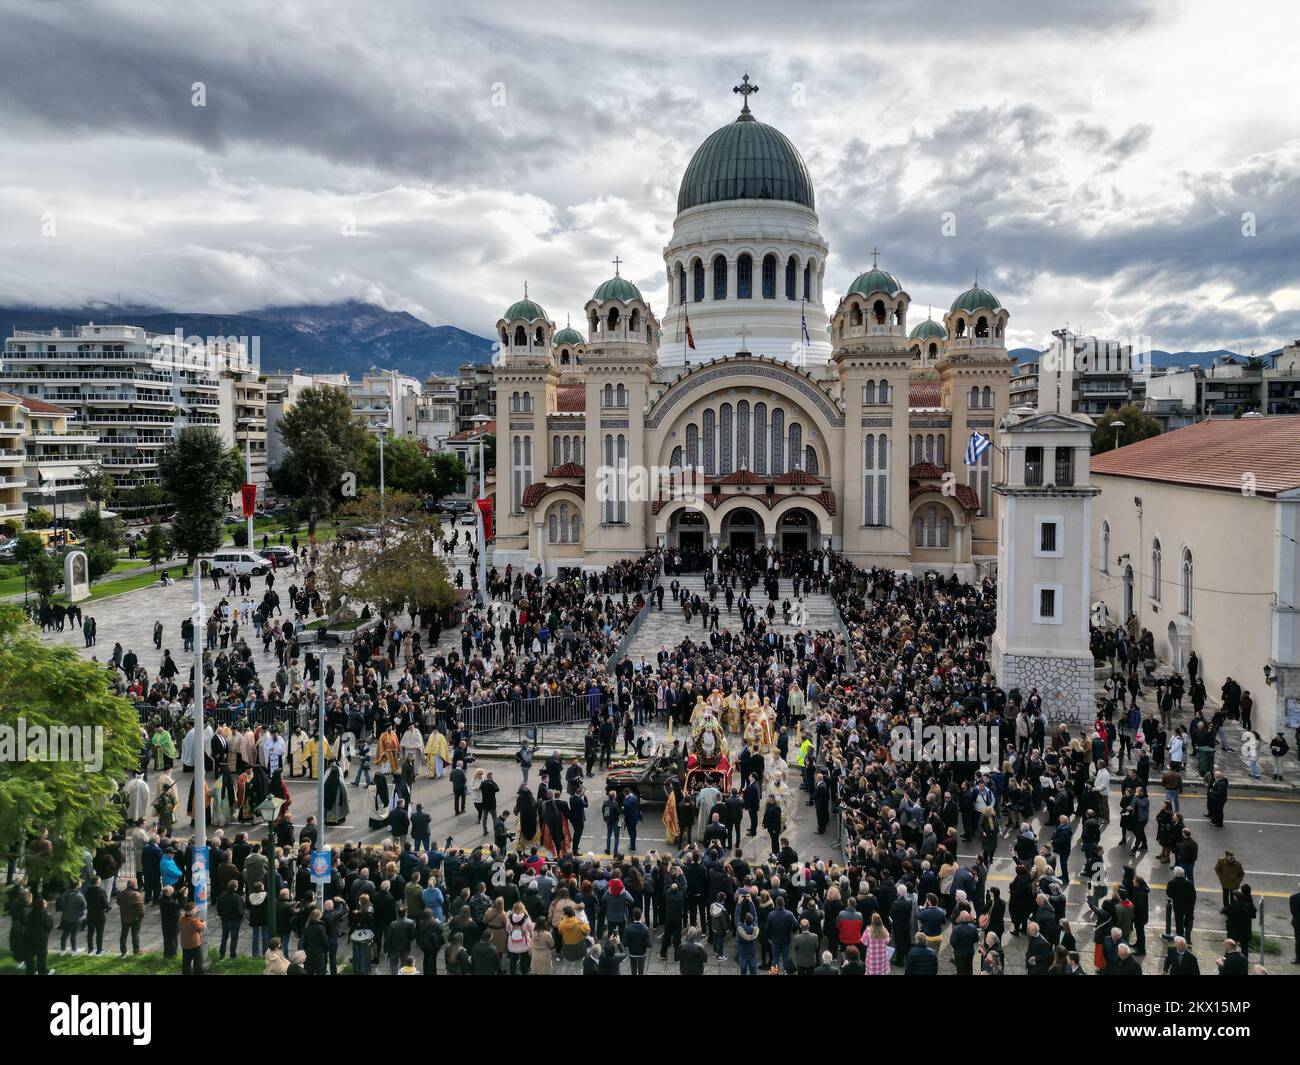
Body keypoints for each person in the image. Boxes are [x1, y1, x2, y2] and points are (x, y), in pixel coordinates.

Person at [180, 901, 206, 975]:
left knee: (186, 962)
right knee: (197, 962)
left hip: (185, 944)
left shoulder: (181, 918)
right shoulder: (193, 921)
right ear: (191, 911)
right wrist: (203, 922)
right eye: (195, 909)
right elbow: (202, 927)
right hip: (194, 944)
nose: (196, 910)